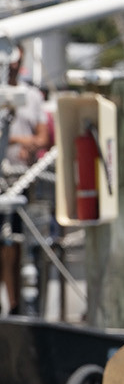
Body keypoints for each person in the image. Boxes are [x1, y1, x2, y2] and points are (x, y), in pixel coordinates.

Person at [0, 45, 49, 313]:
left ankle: (16, 304)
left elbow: (42, 136)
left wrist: (29, 144)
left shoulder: (33, 96)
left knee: (15, 242)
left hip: (20, 179)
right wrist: (19, 139)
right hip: (3, 177)